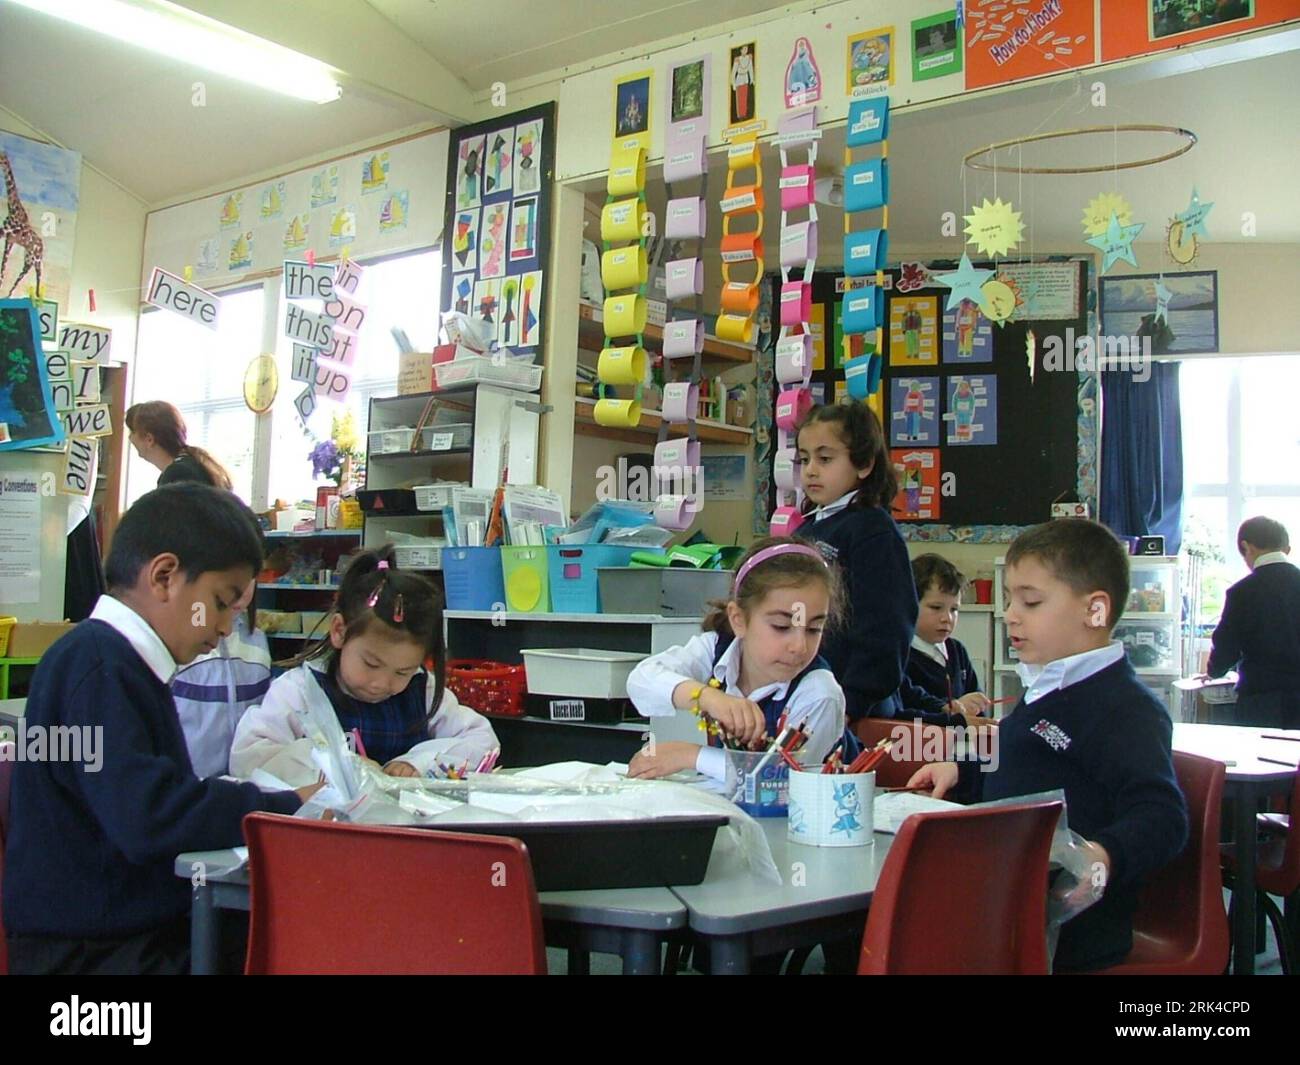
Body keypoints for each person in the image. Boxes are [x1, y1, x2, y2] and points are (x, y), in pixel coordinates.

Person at [2, 484, 317, 975]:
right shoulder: (99, 666)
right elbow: (149, 817)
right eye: (220, 602)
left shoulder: (115, 662)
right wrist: (283, 809)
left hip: (125, 933)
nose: (226, 629)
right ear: (165, 576)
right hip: (89, 957)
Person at [908, 518, 1188, 972]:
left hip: (1067, 930)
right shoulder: (1047, 687)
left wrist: (1103, 854)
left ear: (1095, 610)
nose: (1011, 615)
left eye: (1031, 602)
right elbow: (1020, 755)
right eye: (1009, 600)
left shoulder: (1125, 709)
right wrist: (961, 770)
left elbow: (1163, 817)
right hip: (1006, 896)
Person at [230, 546, 497, 785]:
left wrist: (419, 762)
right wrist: (339, 765)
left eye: (402, 671)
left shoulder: (422, 690)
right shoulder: (300, 691)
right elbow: (250, 758)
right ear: (339, 631)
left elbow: (482, 741)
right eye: (371, 663)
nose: (382, 683)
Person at [626, 538, 846, 782]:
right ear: (738, 619)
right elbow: (641, 679)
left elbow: (779, 779)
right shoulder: (716, 648)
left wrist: (691, 756)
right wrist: (705, 697)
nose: (799, 646)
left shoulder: (820, 693)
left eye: (814, 629)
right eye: (781, 626)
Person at [797, 402, 917, 722]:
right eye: (804, 458)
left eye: (825, 458)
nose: (810, 469)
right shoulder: (808, 526)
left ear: (863, 464)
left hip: (856, 708)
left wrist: (854, 698)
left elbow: (887, 626)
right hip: (810, 693)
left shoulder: (873, 529)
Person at [1205, 516, 1300, 729]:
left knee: (1258, 759)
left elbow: (1227, 645)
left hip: (1261, 699)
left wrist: (1213, 672)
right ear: (1287, 549)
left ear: (1246, 547)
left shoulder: (1241, 592)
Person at [897, 553, 993, 727]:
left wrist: (975, 706)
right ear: (909, 603)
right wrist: (950, 709)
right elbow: (905, 710)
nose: (947, 618)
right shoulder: (900, 654)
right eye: (936, 607)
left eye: (954, 609)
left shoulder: (957, 650)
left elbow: (977, 701)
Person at [126, 400, 232, 489]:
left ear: (149, 439)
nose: (130, 438)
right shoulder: (191, 464)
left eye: (132, 432)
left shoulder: (177, 474)